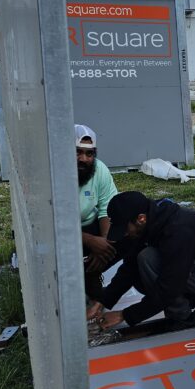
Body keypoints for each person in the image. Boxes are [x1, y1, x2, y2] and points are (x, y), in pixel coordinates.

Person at [87, 191, 195, 331]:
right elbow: (130, 267)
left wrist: (124, 315)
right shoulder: (151, 218)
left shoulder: (178, 231)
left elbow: (169, 287)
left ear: (141, 219)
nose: (125, 233)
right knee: (141, 272)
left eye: (125, 229)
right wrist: (103, 301)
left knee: (147, 260)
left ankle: (182, 319)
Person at [76, 124, 118, 296]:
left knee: (128, 236)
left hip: (90, 225)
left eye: (89, 153)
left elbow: (107, 210)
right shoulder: (52, 174)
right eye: (77, 152)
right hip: (61, 232)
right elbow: (51, 225)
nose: (83, 159)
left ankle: (93, 275)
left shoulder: (99, 170)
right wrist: (90, 241)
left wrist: (103, 246)